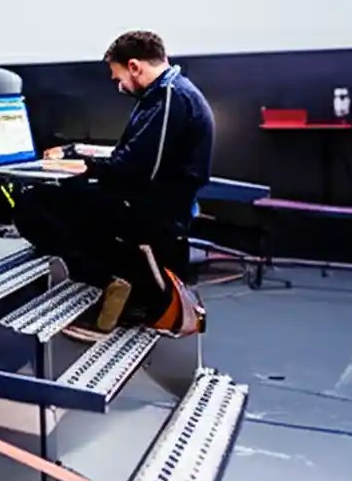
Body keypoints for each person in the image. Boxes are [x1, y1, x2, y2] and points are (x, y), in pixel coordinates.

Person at [13, 30, 214, 337]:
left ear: (134, 66)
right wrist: (75, 152)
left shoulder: (169, 98)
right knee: (64, 195)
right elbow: (134, 153)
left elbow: (133, 171)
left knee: (33, 203)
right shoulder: (169, 92)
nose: (118, 85)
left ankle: (117, 281)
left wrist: (79, 166)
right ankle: (116, 283)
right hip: (157, 203)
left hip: (153, 212)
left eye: (117, 75)